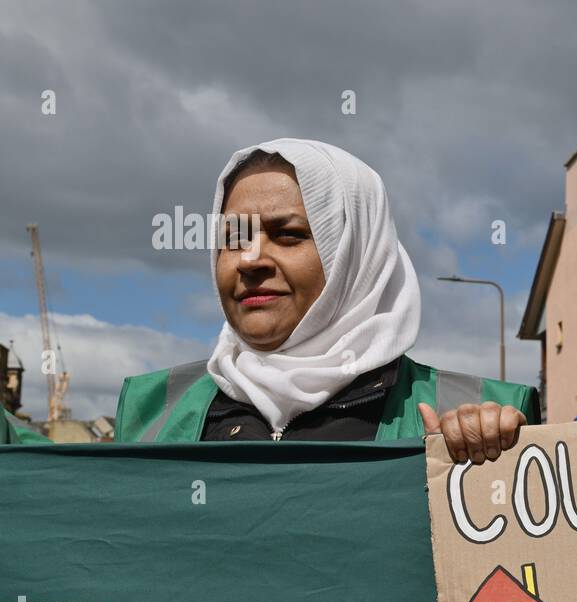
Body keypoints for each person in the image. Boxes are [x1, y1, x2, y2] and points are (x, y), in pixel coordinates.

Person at [113, 138, 534, 462]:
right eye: (232, 239)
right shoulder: (149, 411)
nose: (249, 260)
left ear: (357, 253)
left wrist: (493, 461)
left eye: (288, 235)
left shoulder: (472, 414)